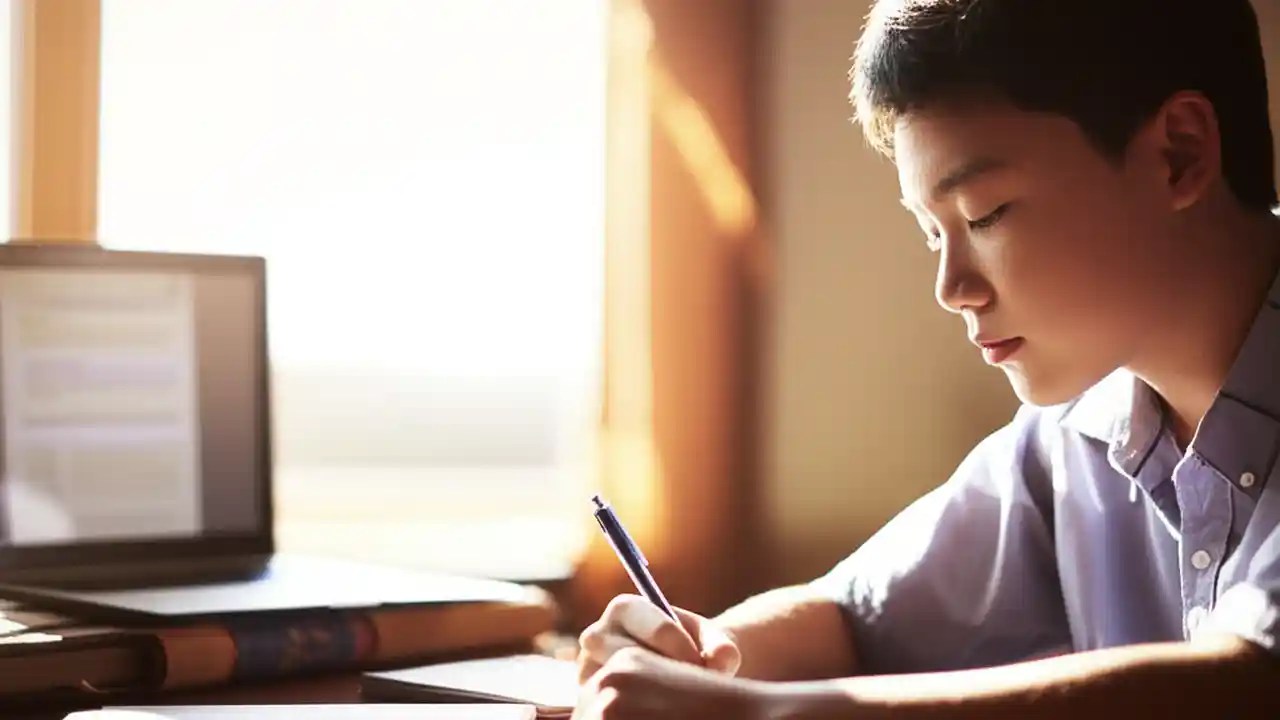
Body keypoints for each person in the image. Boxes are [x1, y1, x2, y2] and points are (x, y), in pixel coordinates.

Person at [571, 0, 1280, 717]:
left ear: (1178, 155)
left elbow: (1248, 682)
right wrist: (702, 657)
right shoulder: (1083, 428)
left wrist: (761, 714)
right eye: (932, 234)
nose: (952, 290)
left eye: (984, 215)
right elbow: (854, 620)